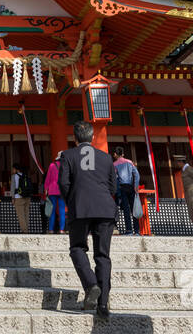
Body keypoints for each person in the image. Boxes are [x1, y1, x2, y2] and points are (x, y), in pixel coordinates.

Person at [57, 121, 116, 318]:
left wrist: (72, 201)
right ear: (92, 138)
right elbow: (113, 187)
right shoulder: (106, 158)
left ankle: (91, 284)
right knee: (102, 255)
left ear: (74, 139)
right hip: (105, 209)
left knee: (77, 248)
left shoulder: (68, 155)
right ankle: (103, 305)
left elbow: (63, 183)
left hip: (80, 208)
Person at [113, 146, 139, 234]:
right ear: (123, 154)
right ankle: (137, 230)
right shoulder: (130, 162)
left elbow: (114, 179)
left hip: (122, 188)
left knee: (126, 210)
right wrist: (135, 186)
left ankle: (129, 230)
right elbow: (137, 174)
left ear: (115, 154)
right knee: (133, 209)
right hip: (131, 187)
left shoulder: (114, 164)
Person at [44, 152, 66, 234]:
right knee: (62, 211)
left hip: (52, 190)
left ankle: (51, 229)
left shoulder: (52, 165)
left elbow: (48, 179)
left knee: (52, 211)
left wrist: (46, 189)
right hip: (62, 190)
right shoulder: (65, 166)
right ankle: (61, 229)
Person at [11, 164, 32, 233]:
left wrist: (13, 198)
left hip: (18, 197)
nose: (12, 170)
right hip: (27, 197)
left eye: (13, 169)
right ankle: (27, 229)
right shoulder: (25, 175)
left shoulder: (14, 176)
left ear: (16, 169)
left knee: (21, 215)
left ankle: (24, 230)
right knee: (26, 213)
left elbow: (13, 188)